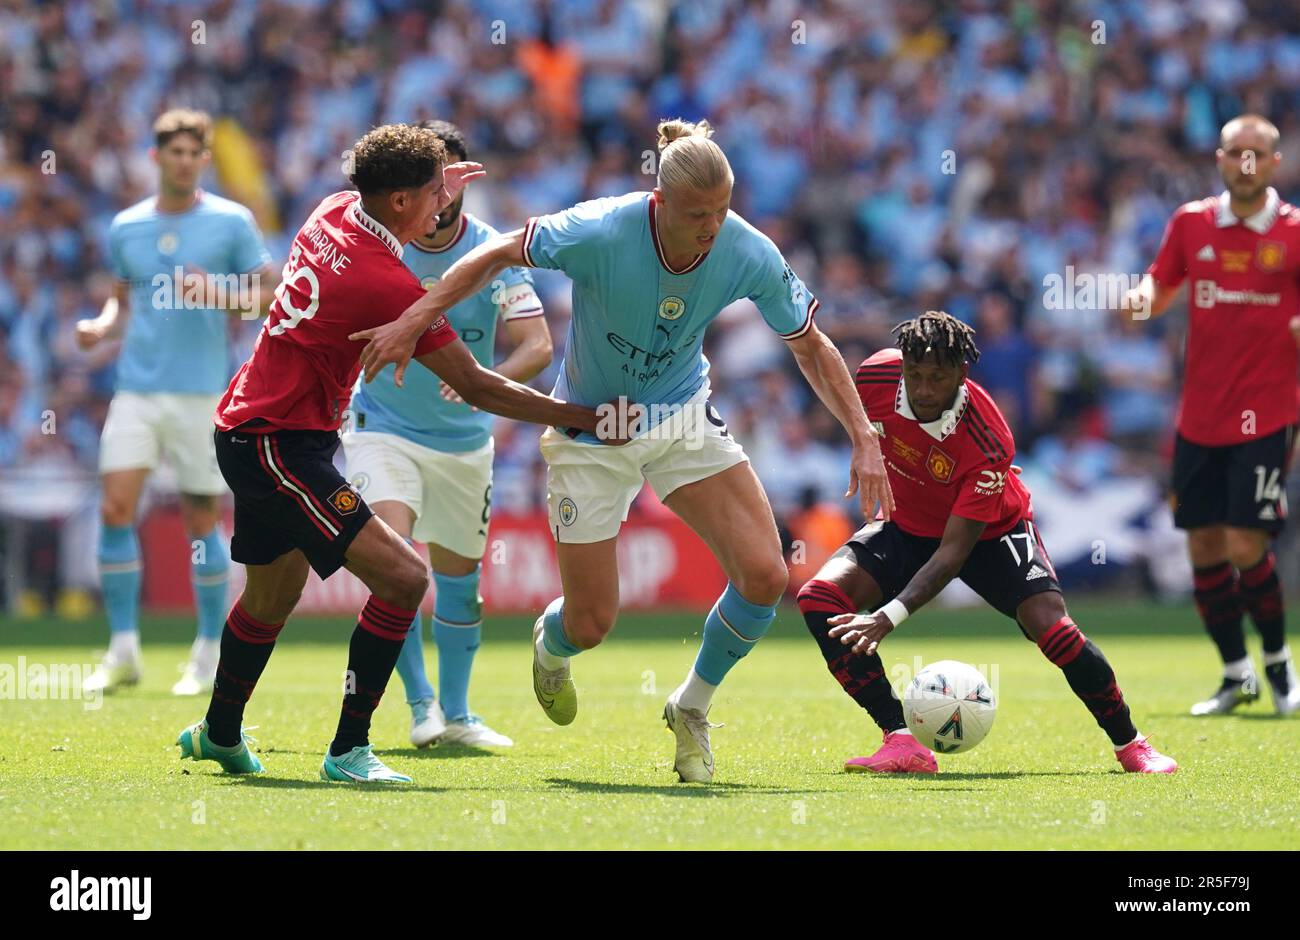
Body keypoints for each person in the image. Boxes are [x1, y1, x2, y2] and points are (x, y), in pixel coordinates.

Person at [351, 118, 893, 783]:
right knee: (591, 623)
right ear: (659, 204)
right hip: (589, 434)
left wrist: (864, 435)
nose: (711, 227)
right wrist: (413, 318)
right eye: (696, 214)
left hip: (681, 417)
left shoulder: (747, 249)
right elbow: (494, 254)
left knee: (766, 575)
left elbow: (810, 344)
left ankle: (690, 706)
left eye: (721, 211)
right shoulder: (600, 229)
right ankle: (551, 649)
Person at [175, 124, 608, 784]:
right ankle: (349, 750)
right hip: (277, 443)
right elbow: (476, 384)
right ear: (401, 201)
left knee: (270, 595)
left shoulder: (333, 209)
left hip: (255, 426)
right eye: (435, 192)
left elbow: (394, 213)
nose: (447, 203)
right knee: (405, 577)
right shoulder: (388, 284)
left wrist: (433, 187)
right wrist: (577, 416)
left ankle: (218, 733)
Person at [797, 311, 1178, 774]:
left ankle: (1131, 744)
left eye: (937, 378)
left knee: (1053, 629)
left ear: (962, 374)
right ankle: (901, 739)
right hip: (905, 523)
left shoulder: (988, 438)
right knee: (819, 598)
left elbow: (953, 556)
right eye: (914, 375)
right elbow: (838, 394)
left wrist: (887, 617)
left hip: (990, 535)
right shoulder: (877, 374)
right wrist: (861, 441)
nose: (921, 390)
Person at [343, 121, 551, 748]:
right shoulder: (379, 243)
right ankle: (420, 707)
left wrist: (481, 380)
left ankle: (459, 714)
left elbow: (537, 346)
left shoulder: (492, 251)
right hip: (380, 428)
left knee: (461, 586)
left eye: (446, 181)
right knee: (398, 564)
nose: (440, 195)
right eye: (428, 184)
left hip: (462, 442)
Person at [77, 109, 275, 697]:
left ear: (204, 161)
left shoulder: (231, 222)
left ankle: (208, 651)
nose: (184, 161)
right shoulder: (127, 227)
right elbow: (122, 301)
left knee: (200, 520)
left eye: (194, 153)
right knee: (115, 508)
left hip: (200, 393)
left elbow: (268, 295)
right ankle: (122, 651)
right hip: (136, 389)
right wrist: (101, 325)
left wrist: (217, 291)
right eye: (174, 153)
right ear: (156, 157)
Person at [1123, 114, 1300, 716]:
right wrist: (1142, 300)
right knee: (1202, 546)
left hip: (1269, 413)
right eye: (1234, 152)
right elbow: (1160, 282)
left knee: (1246, 540)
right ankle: (1235, 673)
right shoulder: (1191, 222)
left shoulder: (1296, 232)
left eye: (1257, 153)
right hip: (1199, 415)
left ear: (1274, 162)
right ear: (1220, 158)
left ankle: (1279, 666)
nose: (1244, 163)